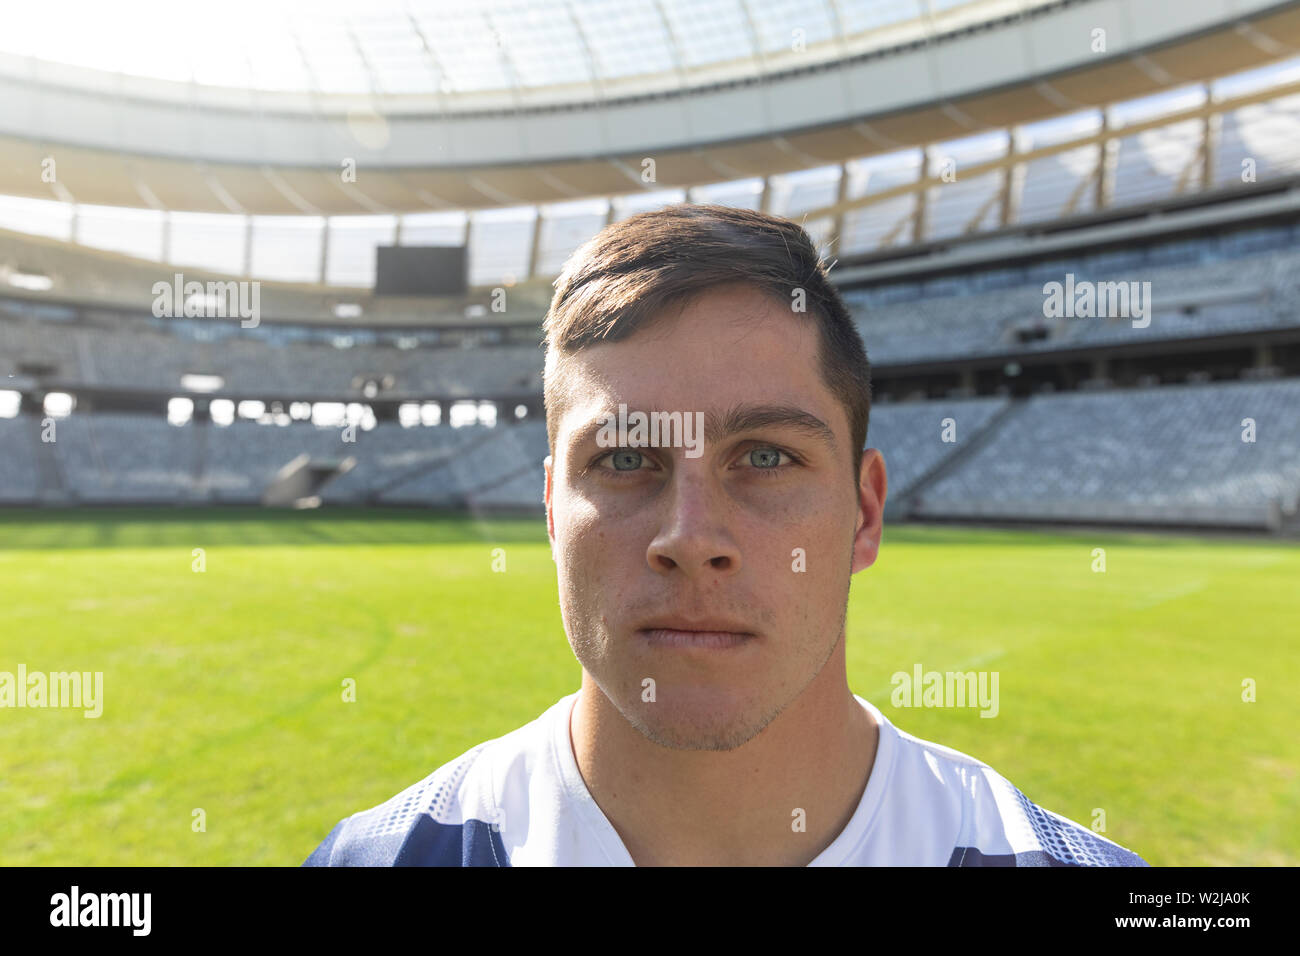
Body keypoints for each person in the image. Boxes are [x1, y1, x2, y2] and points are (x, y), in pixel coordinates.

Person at [304, 203, 1147, 866]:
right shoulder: (377, 859)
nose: (691, 535)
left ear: (864, 512)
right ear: (554, 509)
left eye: (768, 456)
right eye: (628, 456)